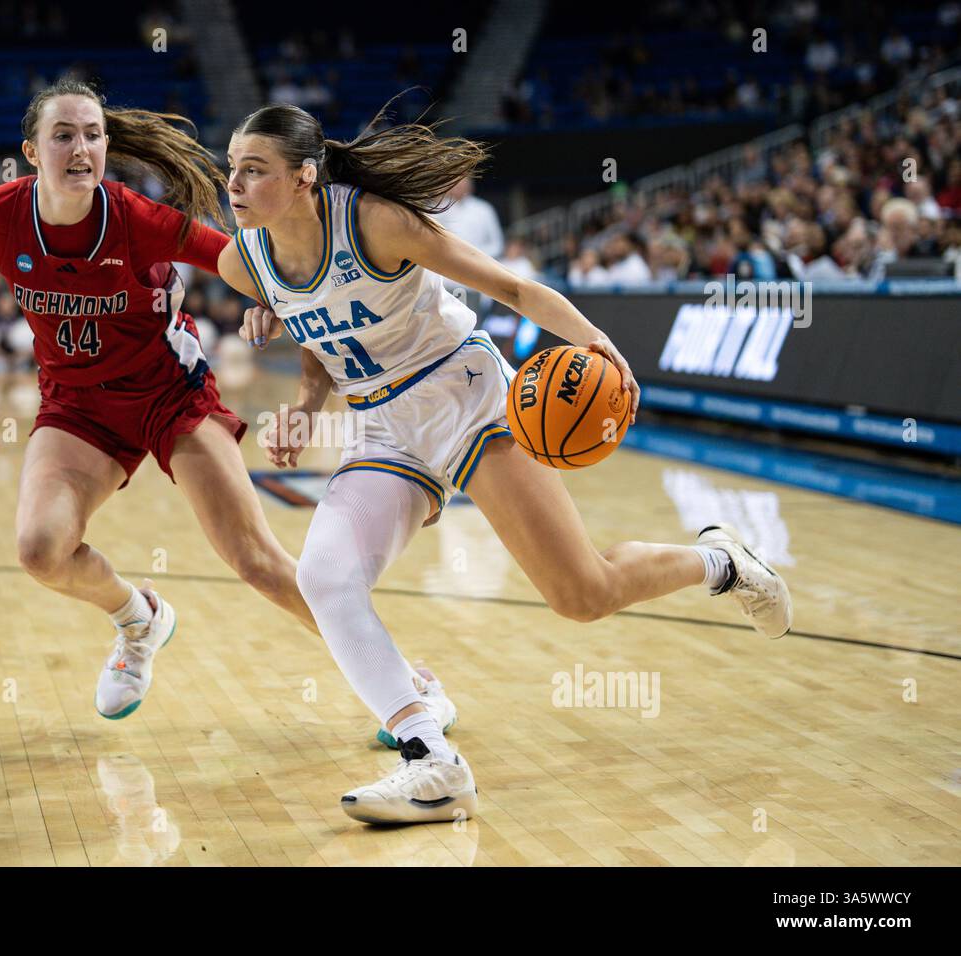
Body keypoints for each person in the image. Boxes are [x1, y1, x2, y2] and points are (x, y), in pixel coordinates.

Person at [0, 79, 465, 731]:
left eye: (93, 134)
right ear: (32, 152)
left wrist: (272, 304)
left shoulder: (137, 220)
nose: (81, 147)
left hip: (172, 397)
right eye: (63, 135)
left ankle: (405, 684)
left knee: (258, 562)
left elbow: (243, 261)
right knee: (40, 551)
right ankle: (137, 618)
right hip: (77, 407)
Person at [218, 102, 792, 825]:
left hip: (465, 396)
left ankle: (723, 562)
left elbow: (512, 290)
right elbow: (315, 327)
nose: (233, 184)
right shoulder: (245, 258)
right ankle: (430, 758)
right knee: (324, 576)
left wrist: (595, 341)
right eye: (230, 167)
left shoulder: (375, 222)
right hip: (383, 428)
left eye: (252, 170)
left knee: (582, 594)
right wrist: (306, 403)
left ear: (304, 178)